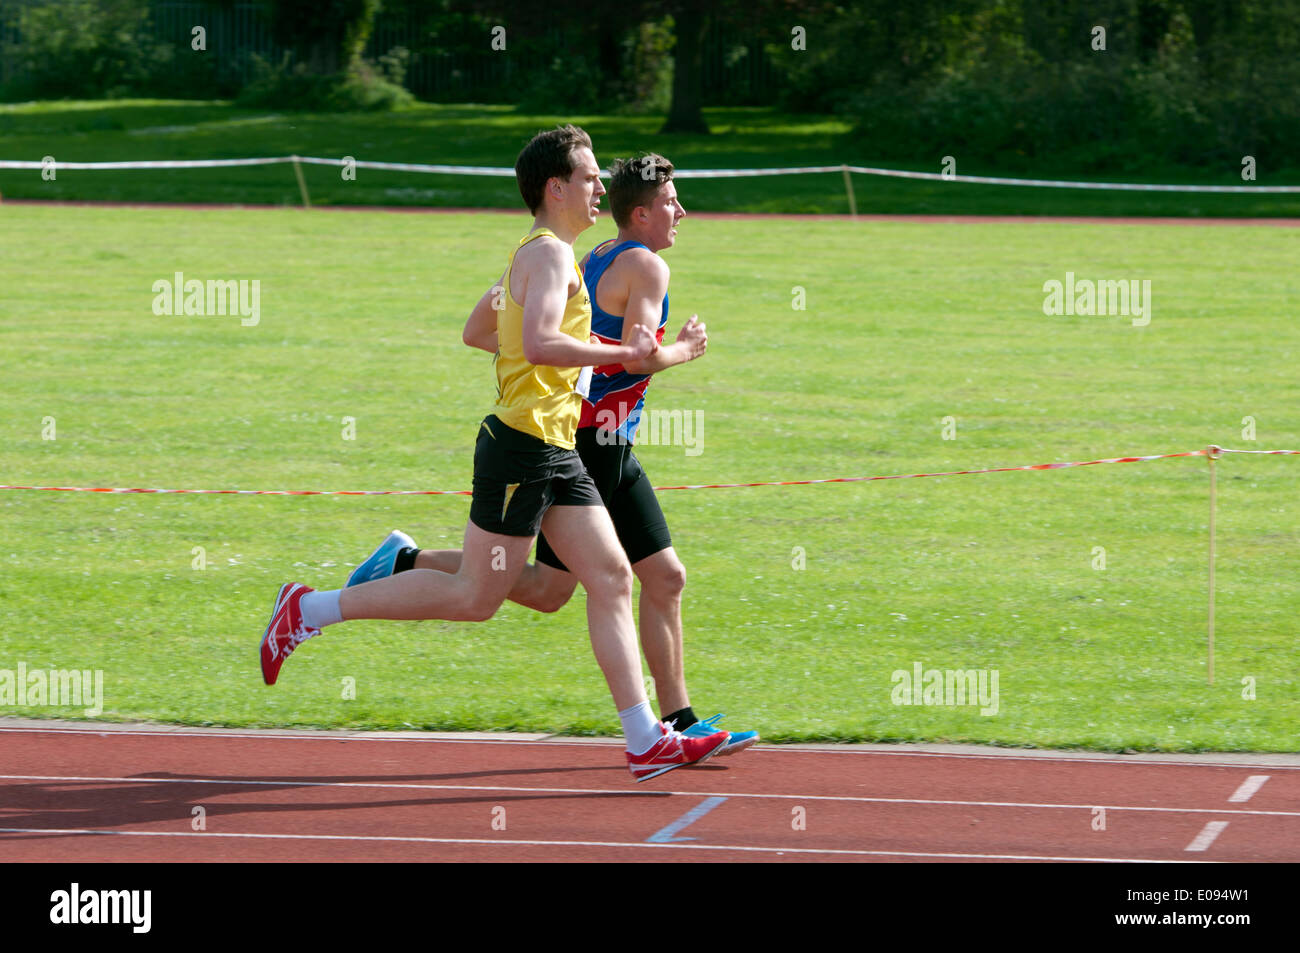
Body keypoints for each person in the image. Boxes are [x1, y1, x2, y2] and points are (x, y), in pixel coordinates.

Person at [259, 126, 729, 782]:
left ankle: (645, 736)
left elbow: (484, 330)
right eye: (589, 178)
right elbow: (537, 341)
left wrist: (565, 365)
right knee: (477, 596)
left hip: (557, 447)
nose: (600, 188)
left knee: (613, 577)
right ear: (554, 187)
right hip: (520, 451)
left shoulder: (548, 255)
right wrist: (618, 353)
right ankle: (308, 609)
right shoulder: (548, 257)